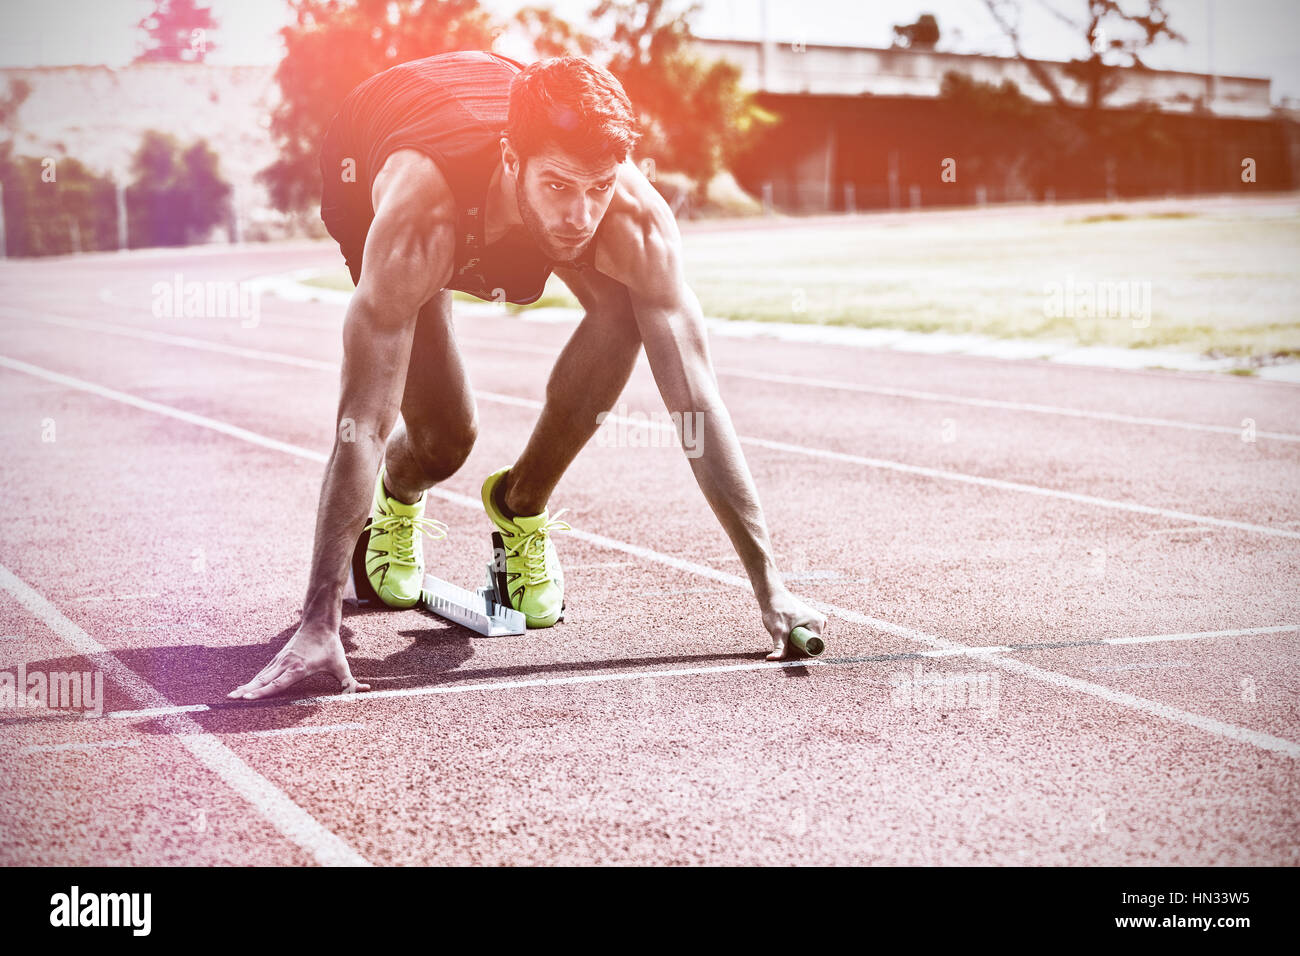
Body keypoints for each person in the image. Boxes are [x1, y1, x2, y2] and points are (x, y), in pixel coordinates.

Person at [229, 51, 826, 700]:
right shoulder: (415, 220)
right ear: (513, 162)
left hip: (495, 108)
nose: (580, 216)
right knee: (443, 440)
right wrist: (319, 621)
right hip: (381, 138)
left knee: (625, 308)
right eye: (559, 187)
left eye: (598, 188)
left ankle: (521, 504)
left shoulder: (632, 218)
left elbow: (696, 403)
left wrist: (773, 589)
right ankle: (397, 500)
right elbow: (364, 421)